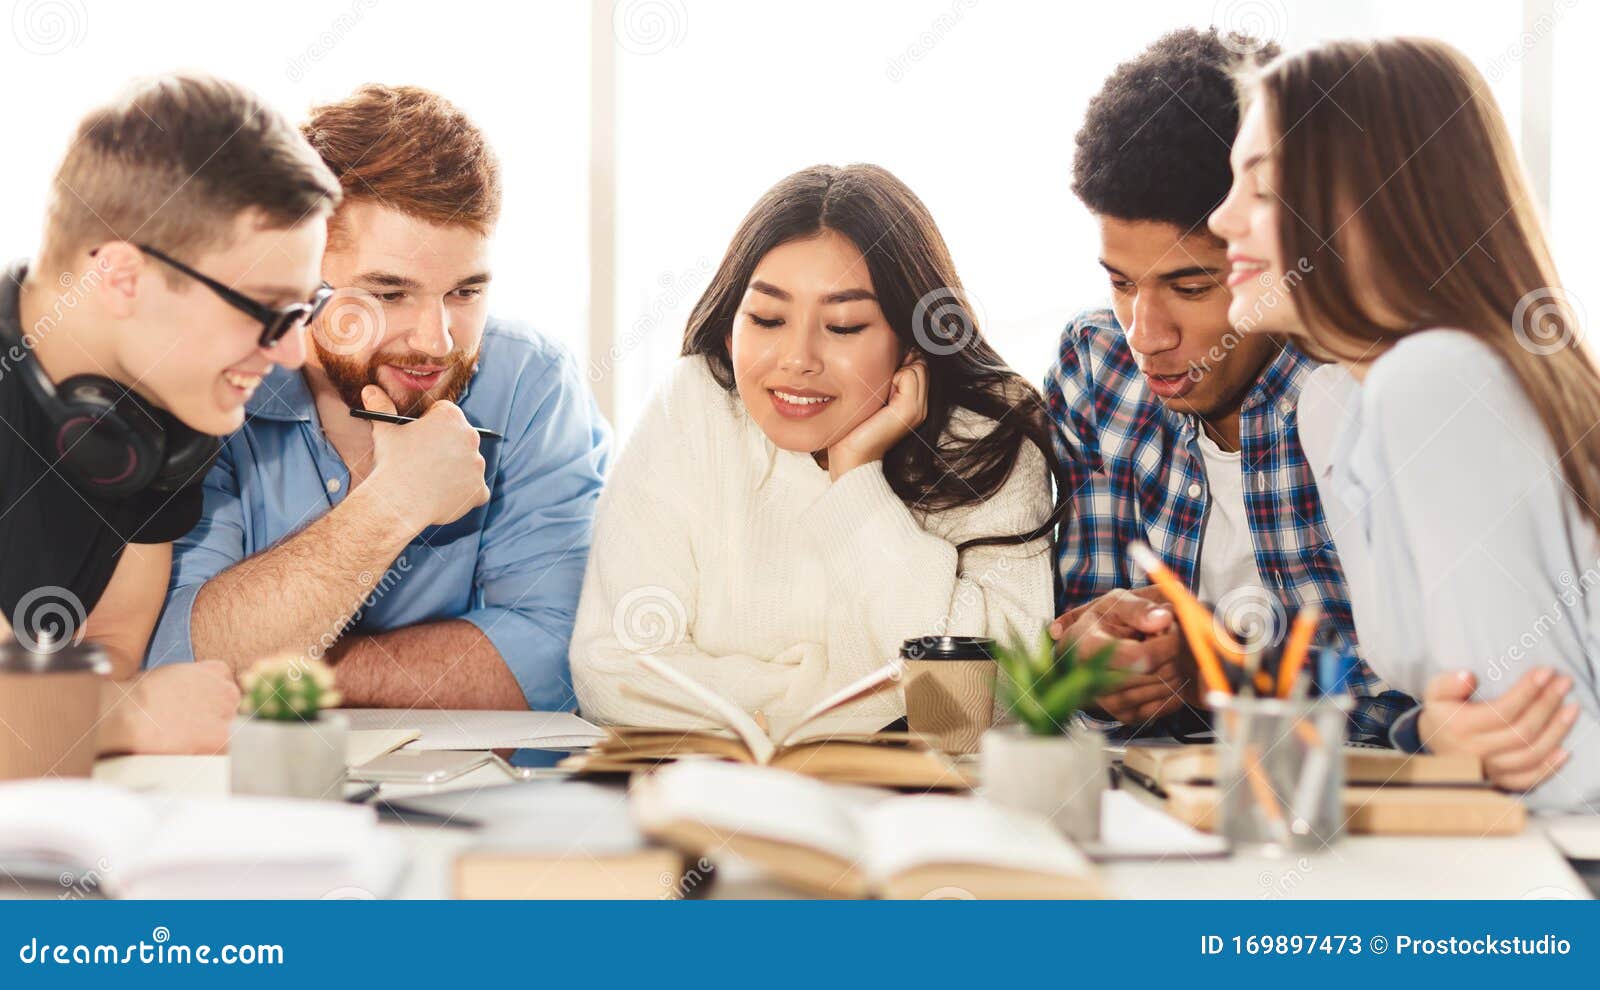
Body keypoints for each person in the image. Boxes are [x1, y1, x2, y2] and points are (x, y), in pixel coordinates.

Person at [1210, 36, 1597, 808]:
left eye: (1262, 189)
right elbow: (1477, 725)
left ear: (1369, 202)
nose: (1223, 220)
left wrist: (1452, 747)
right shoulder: (1338, 403)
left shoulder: (1435, 382)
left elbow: (1557, 767)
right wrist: (1429, 735)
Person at [146, 85, 611, 712]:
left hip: (468, 797)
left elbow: (559, 660)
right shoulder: (217, 384)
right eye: (389, 295)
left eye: (465, 292)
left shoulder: (530, 382)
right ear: (302, 275)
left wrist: (289, 669)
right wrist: (394, 506)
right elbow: (173, 659)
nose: (437, 340)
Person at [570, 164, 1062, 737]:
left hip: (921, 815)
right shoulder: (696, 400)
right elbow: (611, 670)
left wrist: (857, 482)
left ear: (911, 340)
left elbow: (992, 703)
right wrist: (844, 701)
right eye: (768, 318)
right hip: (716, 801)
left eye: (845, 325)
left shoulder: (985, 436)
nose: (797, 358)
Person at [1044, 28, 1413, 743]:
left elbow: (1424, 717)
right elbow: (1076, 628)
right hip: (1157, 811)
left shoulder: (1364, 393)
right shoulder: (1096, 366)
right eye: (1121, 283)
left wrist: (1224, 670)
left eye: (1190, 284)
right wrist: (1093, 657)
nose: (1145, 333)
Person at [0, 73, 342, 753]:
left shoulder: (169, 411)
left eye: (305, 310)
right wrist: (126, 716)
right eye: (267, 311)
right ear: (122, 277)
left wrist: (77, 709)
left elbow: (110, 646)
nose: (296, 353)